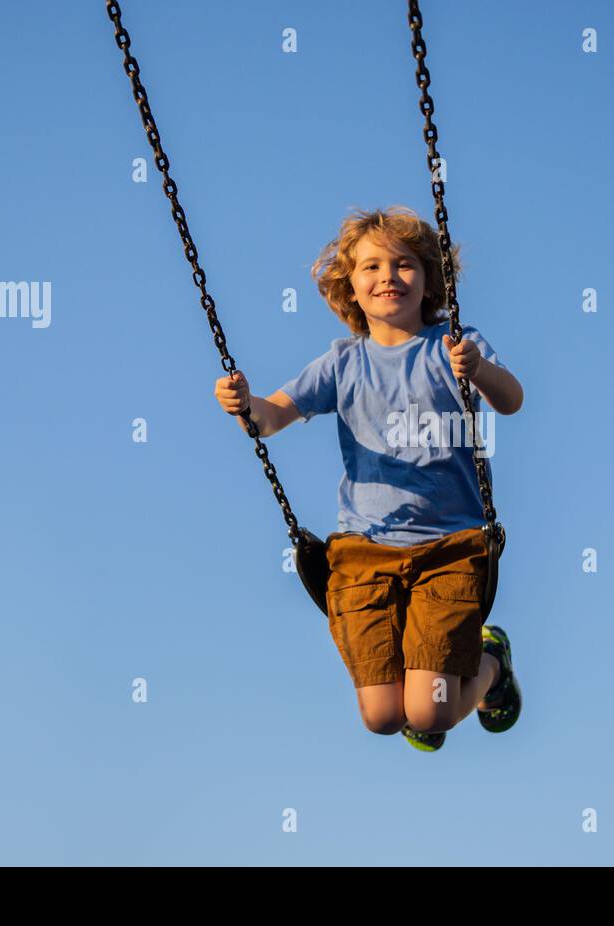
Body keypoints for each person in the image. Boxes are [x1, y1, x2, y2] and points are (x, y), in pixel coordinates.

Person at [214, 206, 523, 752]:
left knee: (429, 712)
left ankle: (490, 663)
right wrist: (244, 405)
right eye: (371, 267)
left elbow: (511, 399)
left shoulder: (453, 346)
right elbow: (272, 417)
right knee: (383, 717)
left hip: (450, 545)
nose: (388, 277)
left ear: (429, 279)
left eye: (404, 264)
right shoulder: (341, 363)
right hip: (363, 549)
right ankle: (427, 668)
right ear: (349, 288)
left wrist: (477, 369)